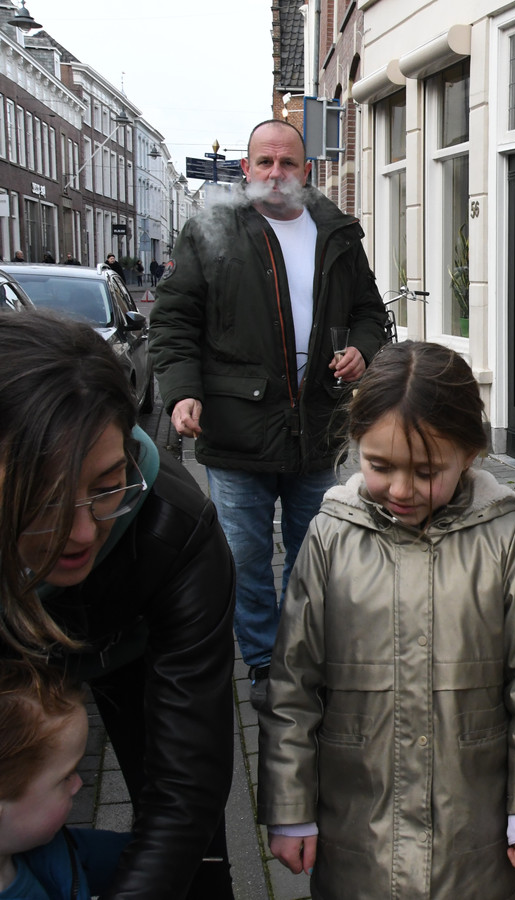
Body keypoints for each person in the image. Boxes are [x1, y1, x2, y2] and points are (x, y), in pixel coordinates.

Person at [257, 341, 515, 899]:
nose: (400, 490)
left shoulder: (501, 534)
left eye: (426, 472)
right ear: (357, 447)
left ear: (469, 455)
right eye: (380, 466)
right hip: (359, 833)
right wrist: (290, 807)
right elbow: (292, 686)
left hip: (473, 841)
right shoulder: (331, 534)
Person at [150, 118, 386, 709]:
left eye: (288, 164)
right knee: (246, 556)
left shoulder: (337, 232)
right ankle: (259, 659)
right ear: (245, 168)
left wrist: (364, 349)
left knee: (313, 554)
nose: (277, 175)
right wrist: (182, 390)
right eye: (265, 163)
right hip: (236, 429)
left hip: (318, 426)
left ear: (307, 171)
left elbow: (369, 312)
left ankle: (299, 655)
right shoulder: (212, 231)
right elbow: (174, 322)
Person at [0, 310, 237, 897]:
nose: (81, 532)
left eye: (107, 485)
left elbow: (186, 784)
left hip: (134, 645)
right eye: (45, 500)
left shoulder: (176, 528)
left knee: (194, 856)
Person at [0, 659, 131, 900]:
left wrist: (158, 852)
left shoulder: (42, 842)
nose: (78, 783)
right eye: (65, 777)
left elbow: (100, 856)